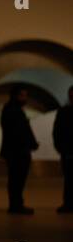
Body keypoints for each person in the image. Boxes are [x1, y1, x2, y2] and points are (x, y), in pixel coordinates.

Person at [0, 84, 39, 215]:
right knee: (17, 179)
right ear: (16, 96)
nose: (25, 98)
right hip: (18, 151)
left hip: (15, 151)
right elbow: (19, 132)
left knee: (15, 179)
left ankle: (16, 204)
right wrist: (31, 143)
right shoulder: (14, 110)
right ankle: (16, 205)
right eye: (22, 95)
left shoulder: (10, 109)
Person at [53, 85, 73, 214]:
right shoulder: (63, 111)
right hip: (67, 151)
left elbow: (57, 131)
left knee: (69, 178)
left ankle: (68, 204)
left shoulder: (63, 112)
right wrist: (60, 147)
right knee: (69, 178)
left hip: (66, 150)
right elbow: (57, 131)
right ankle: (68, 203)